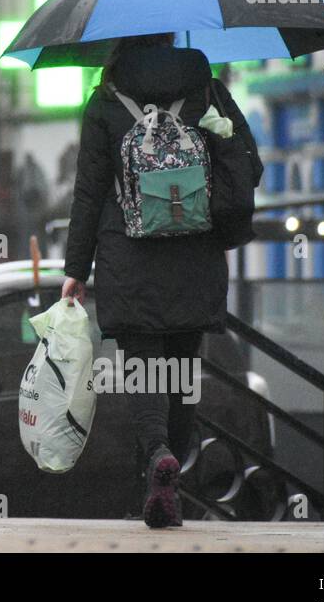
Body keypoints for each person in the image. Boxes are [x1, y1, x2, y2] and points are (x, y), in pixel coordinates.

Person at [59, 32, 256, 529]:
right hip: (195, 255)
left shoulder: (105, 102)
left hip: (129, 257)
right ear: (172, 40)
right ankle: (172, 478)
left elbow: (88, 192)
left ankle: (158, 459)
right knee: (182, 372)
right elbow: (249, 165)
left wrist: (75, 270)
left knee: (145, 368)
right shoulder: (206, 90)